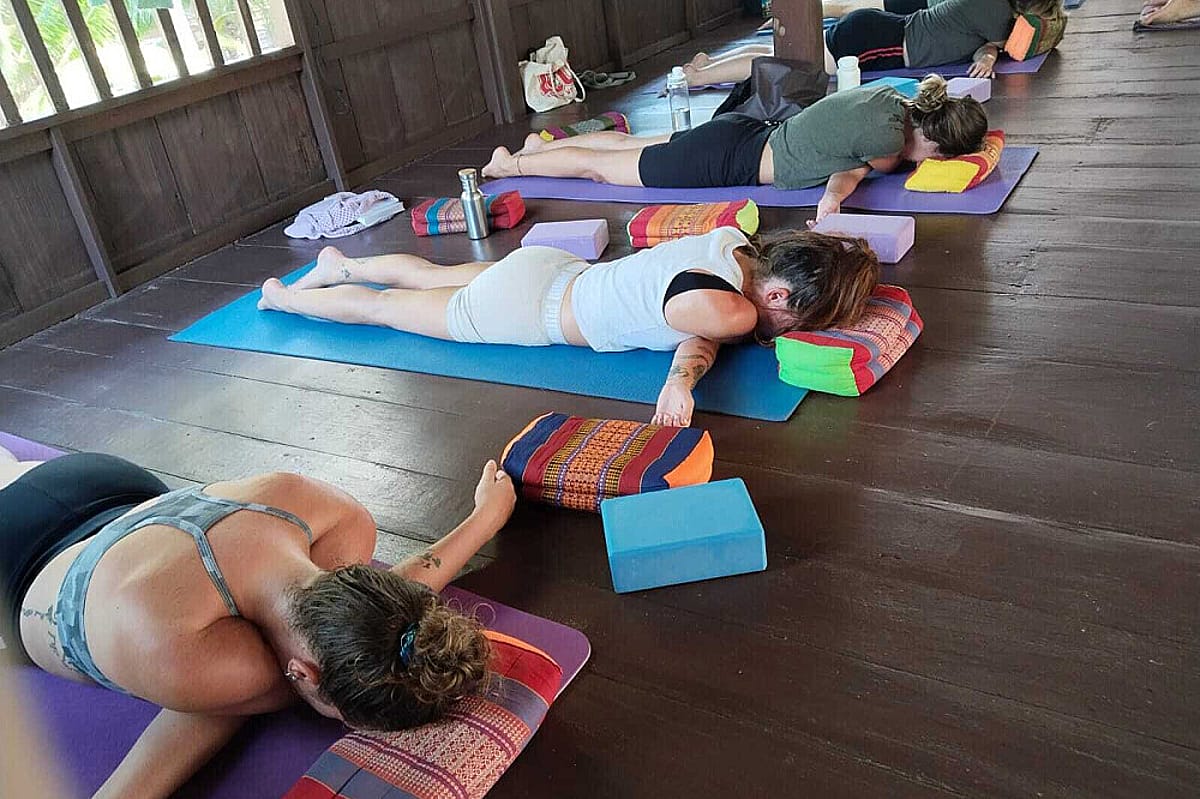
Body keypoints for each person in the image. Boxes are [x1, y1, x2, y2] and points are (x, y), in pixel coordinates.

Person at [1, 446, 515, 799]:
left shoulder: (341, 522)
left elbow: (387, 613)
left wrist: (485, 519)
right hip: (17, 558)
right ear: (303, 674)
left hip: (103, 482)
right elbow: (210, 717)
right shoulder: (211, 662)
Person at [257, 227, 882, 427]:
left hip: (553, 269)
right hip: (527, 311)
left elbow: (692, 304)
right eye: (797, 316)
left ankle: (344, 264)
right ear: (778, 292)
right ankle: (283, 299)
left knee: (431, 275)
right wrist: (680, 382)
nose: (789, 328)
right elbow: (705, 328)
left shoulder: (735, 243)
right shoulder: (735, 310)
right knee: (382, 310)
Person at [481, 75, 987, 220]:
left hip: (746, 131)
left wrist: (832, 198)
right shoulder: (889, 143)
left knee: (628, 144)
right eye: (939, 156)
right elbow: (858, 169)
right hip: (731, 159)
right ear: (933, 140)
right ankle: (513, 165)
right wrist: (833, 199)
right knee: (602, 171)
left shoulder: (892, 98)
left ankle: (535, 150)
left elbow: (845, 164)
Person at [825, 0, 1066, 79]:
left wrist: (987, 57)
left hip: (885, 32)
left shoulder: (998, 10)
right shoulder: (995, 8)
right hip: (876, 41)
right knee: (810, 68)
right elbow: (1017, 46)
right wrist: (989, 56)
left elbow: (990, 45)